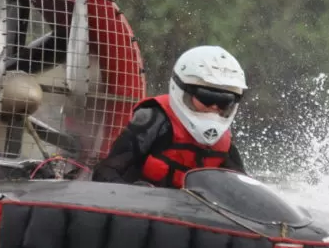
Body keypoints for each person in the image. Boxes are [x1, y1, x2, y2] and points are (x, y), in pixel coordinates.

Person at [93, 45, 248, 188]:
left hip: (188, 214)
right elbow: (104, 172)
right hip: (142, 210)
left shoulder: (223, 140)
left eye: (224, 102)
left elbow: (242, 191)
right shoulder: (153, 119)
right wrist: (136, 196)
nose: (214, 107)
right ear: (184, 92)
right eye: (207, 98)